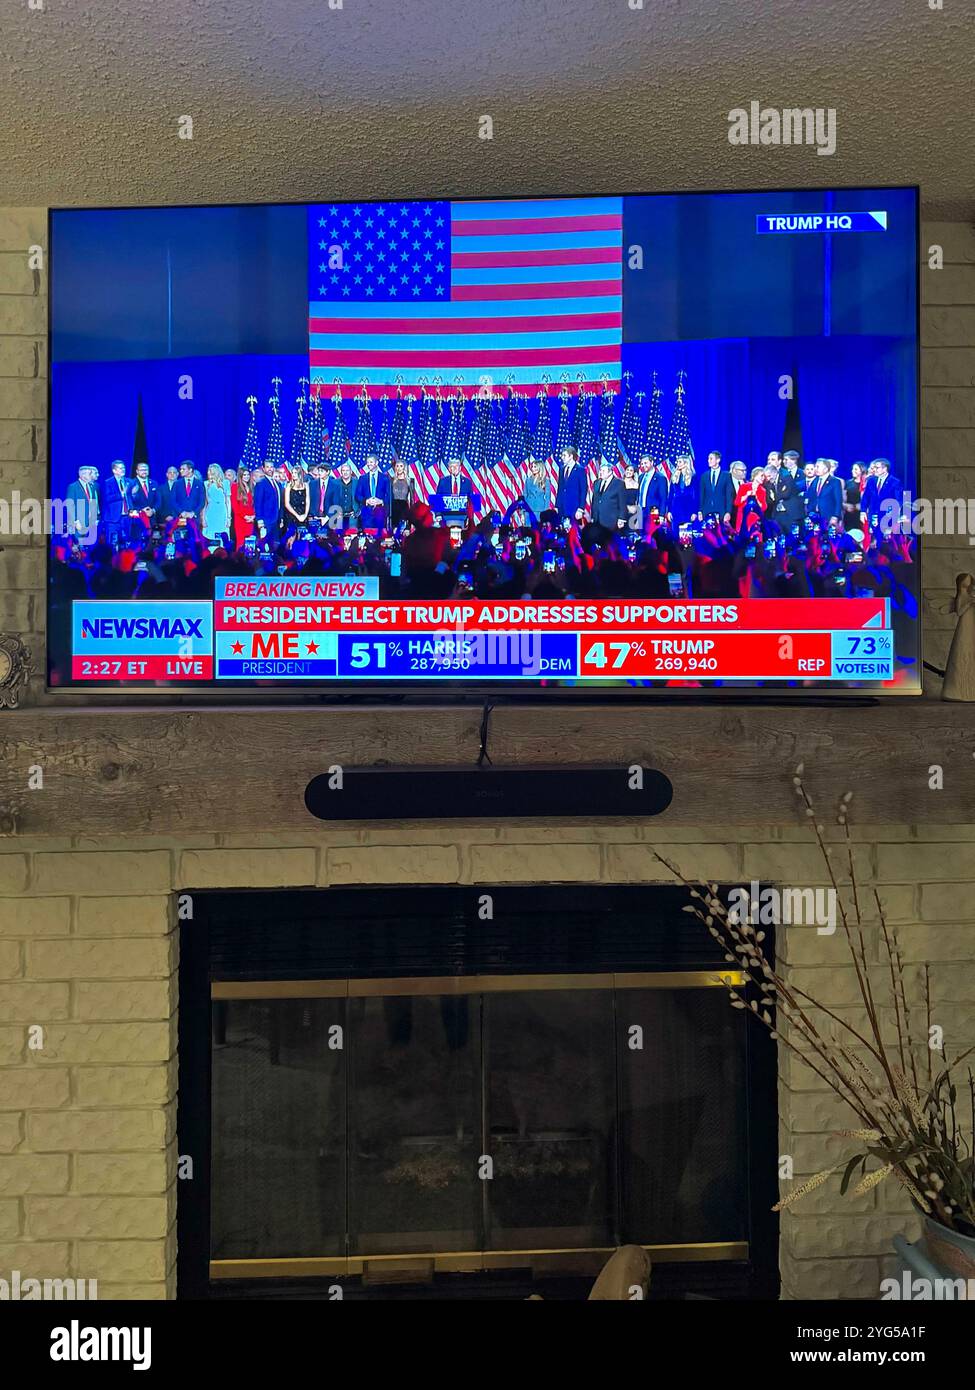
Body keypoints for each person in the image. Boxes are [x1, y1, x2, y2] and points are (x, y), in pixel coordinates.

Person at [589, 460, 627, 540]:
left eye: (603, 471)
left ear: (610, 472)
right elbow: (595, 500)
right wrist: (593, 515)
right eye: (600, 470)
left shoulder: (619, 483)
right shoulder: (597, 482)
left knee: (609, 542)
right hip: (597, 519)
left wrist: (621, 518)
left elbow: (622, 503)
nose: (600, 472)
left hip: (611, 519)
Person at [64, 465, 100, 545]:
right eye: (89, 474)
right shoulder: (73, 487)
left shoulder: (92, 487)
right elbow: (70, 506)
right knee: (78, 545)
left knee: (89, 546)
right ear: (82, 475)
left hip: (91, 522)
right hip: (79, 523)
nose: (91, 475)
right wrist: (76, 521)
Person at [252, 459, 282, 550]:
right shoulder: (261, 484)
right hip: (266, 521)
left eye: (271, 467)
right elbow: (258, 503)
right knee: (264, 547)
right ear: (263, 469)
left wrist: (281, 518)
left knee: (275, 545)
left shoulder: (277, 484)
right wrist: (260, 521)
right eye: (268, 467)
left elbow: (280, 502)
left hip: (276, 521)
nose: (270, 469)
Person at [356, 452, 392, 527]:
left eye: (371, 462)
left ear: (376, 463)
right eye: (367, 462)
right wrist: (366, 500)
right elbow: (358, 495)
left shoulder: (385, 478)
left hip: (380, 512)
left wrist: (381, 501)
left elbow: (389, 495)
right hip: (366, 513)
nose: (369, 464)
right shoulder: (362, 478)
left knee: (379, 536)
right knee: (367, 535)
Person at [698, 450, 734, 523]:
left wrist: (728, 512)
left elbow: (729, 495)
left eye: (711, 458)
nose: (709, 461)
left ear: (718, 460)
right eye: (708, 459)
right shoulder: (704, 476)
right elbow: (701, 495)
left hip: (721, 512)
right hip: (706, 512)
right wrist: (700, 511)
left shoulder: (726, 476)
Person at [806, 457, 843, 527]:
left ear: (826, 469)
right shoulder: (815, 481)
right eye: (815, 467)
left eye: (818, 467)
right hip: (815, 517)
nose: (815, 469)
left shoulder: (834, 481)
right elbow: (811, 498)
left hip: (828, 515)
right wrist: (809, 513)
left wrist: (835, 516)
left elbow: (838, 500)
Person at [555, 445, 586, 526]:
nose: (562, 457)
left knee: (574, 533)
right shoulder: (562, 469)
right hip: (562, 507)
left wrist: (581, 509)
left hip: (574, 508)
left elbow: (583, 490)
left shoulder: (580, 470)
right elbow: (560, 489)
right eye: (561, 455)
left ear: (571, 456)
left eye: (564, 455)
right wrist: (557, 506)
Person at [126, 461, 158, 541]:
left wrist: (153, 510)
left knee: (152, 544)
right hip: (137, 520)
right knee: (137, 544)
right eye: (142, 470)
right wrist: (140, 511)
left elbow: (158, 500)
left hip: (151, 519)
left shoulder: (154, 483)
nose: (144, 471)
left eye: (146, 469)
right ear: (137, 471)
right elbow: (129, 500)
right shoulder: (131, 483)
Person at [101, 460, 130, 546]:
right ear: (114, 470)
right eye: (120, 468)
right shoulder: (108, 483)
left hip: (126, 518)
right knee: (112, 544)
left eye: (124, 468)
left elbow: (130, 498)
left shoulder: (128, 481)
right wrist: (121, 494)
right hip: (113, 519)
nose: (123, 470)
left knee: (125, 543)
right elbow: (107, 498)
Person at [202, 462, 232, 544]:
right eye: (208, 471)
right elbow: (204, 503)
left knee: (222, 535)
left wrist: (229, 518)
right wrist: (203, 518)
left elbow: (228, 501)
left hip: (222, 511)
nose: (209, 473)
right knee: (211, 535)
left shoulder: (225, 483)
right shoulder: (206, 484)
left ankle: (223, 553)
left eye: (211, 471)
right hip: (211, 511)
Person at [325, 461, 358, 529]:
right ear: (341, 472)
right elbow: (328, 500)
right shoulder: (334, 483)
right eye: (343, 470)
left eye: (347, 470)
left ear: (351, 472)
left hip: (352, 517)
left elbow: (361, 499)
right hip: (337, 517)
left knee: (353, 536)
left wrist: (357, 512)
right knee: (338, 537)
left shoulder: (357, 482)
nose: (345, 472)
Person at [668, 455, 696, 529]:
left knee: (687, 535)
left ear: (686, 463)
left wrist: (695, 512)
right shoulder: (674, 477)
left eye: (680, 462)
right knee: (675, 534)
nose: (677, 464)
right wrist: (669, 511)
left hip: (688, 508)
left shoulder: (693, 477)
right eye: (677, 462)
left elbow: (696, 496)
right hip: (676, 508)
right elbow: (670, 495)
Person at [231, 467, 255, 549]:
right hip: (240, 519)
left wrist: (253, 516)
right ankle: (239, 560)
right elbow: (235, 506)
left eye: (248, 474)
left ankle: (249, 560)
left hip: (251, 520)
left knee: (250, 543)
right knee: (241, 542)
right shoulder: (235, 487)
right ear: (240, 476)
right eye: (244, 475)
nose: (247, 476)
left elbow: (255, 504)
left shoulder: (252, 487)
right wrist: (244, 516)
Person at [283, 463, 309, 534]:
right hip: (292, 515)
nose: (293, 474)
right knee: (291, 536)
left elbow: (307, 501)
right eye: (292, 473)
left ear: (300, 474)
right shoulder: (289, 486)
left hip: (303, 514)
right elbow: (287, 504)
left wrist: (305, 515)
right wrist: (297, 516)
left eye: (295, 473)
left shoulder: (306, 485)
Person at [390, 458, 416, 527]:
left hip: (404, 508)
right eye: (397, 466)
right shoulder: (391, 480)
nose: (399, 468)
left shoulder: (410, 481)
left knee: (403, 531)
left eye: (401, 466)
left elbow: (412, 500)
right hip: (393, 509)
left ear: (404, 468)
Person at [306, 464, 330, 529]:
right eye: (319, 471)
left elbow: (336, 503)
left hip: (329, 518)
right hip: (314, 517)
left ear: (327, 472)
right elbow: (309, 500)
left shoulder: (335, 485)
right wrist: (311, 515)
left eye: (322, 471)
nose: (319, 473)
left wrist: (327, 517)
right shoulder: (312, 484)